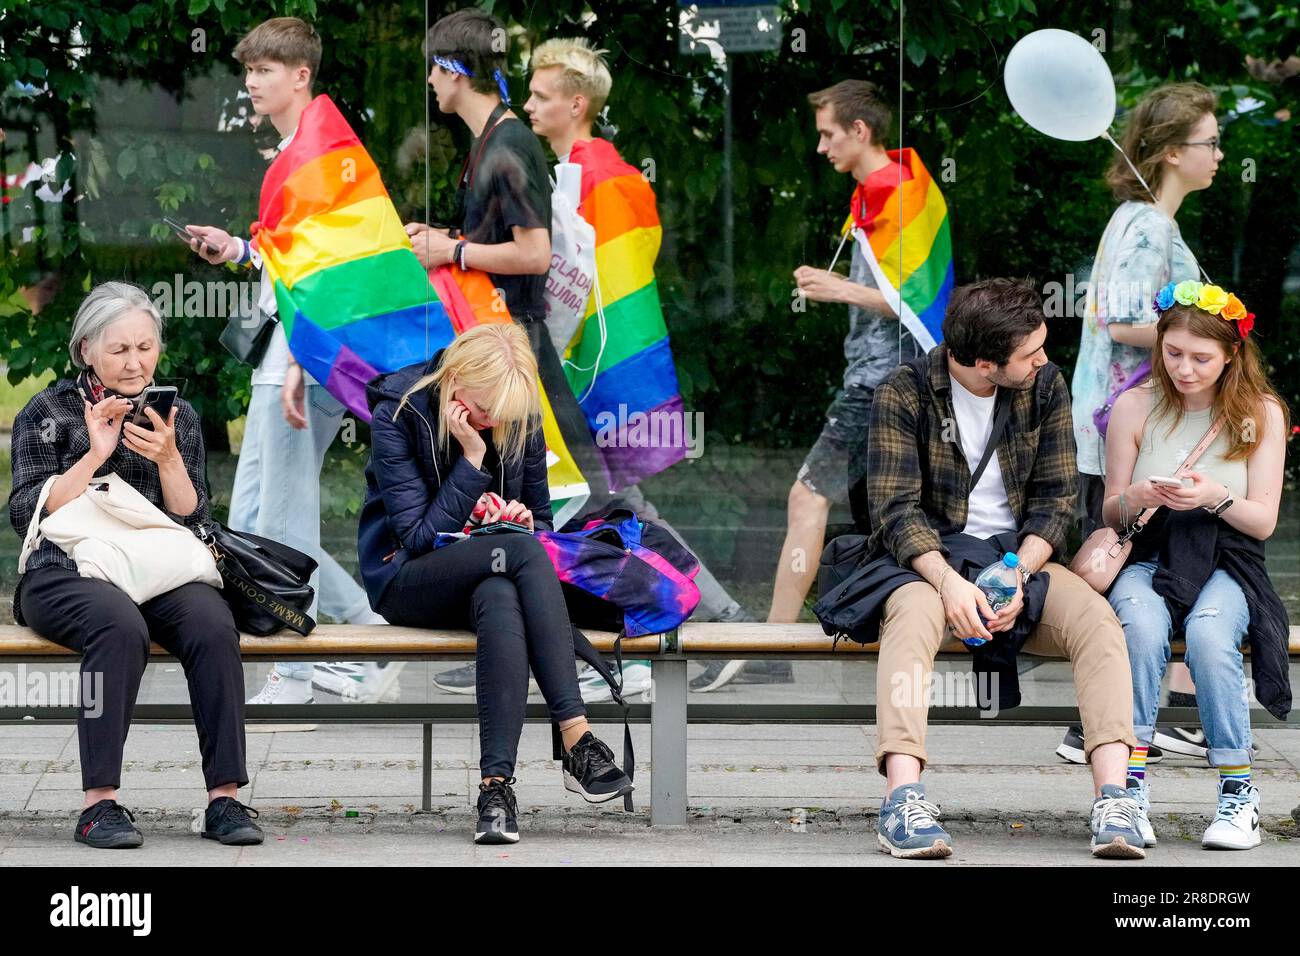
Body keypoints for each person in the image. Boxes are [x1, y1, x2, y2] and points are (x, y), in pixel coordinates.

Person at [864, 278, 1143, 859]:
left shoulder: (1045, 386)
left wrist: (1016, 573)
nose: (1044, 360)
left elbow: (1059, 500)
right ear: (987, 364)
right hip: (929, 559)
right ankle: (903, 799)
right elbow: (894, 509)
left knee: (1096, 620)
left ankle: (1116, 798)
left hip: (1020, 557)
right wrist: (947, 582)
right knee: (912, 620)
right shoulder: (905, 390)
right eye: (1030, 354)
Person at [523, 36, 753, 702]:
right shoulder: (610, 171)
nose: (530, 106)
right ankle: (680, 631)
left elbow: (586, 287)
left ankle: (714, 625)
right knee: (615, 508)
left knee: (614, 508)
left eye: (540, 95)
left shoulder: (590, 176)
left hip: (599, 368)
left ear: (576, 102)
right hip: (617, 364)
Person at [183, 17, 396, 707]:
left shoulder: (320, 150)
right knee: (249, 525)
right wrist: (237, 251)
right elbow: (295, 258)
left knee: (281, 521)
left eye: (265, 70)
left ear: (300, 74)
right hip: (294, 347)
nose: (251, 81)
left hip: (305, 352)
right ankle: (367, 633)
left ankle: (299, 670)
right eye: (248, 70)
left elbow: (339, 271)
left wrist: (305, 357)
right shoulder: (304, 148)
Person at [8, 282, 262, 849]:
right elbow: (26, 510)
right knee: (119, 626)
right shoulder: (47, 412)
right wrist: (96, 453)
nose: (135, 361)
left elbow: (194, 520)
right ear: (87, 351)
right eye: (119, 349)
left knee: (214, 625)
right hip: (64, 567)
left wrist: (170, 458)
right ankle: (99, 804)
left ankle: (225, 798)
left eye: (145, 347)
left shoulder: (178, 417)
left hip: (154, 568)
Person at [357, 323, 634, 844]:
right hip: (405, 577)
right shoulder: (400, 411)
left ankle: (495, 792)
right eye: (484, 413)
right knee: (518, 557)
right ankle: (577, 735)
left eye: (500, 417)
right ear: (455, 380)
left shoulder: (517, 414)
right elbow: (417, 537)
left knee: (503, 591)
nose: (492, 423)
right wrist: (472, 463)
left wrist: (520, 520)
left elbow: (544, 527)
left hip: (497, 573)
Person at [408, 8, 609, 696]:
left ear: (454, 71)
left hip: (518, 343)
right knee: (519, 493)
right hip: (503, 340)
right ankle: (511, 634)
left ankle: (661, 627)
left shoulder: (506, 145)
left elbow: (533, 253)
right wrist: (443, 241)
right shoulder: (493, 141)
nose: (429, 83)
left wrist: (452, 248)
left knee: (581, 492)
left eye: (434, 69)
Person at [1060, 82, 1225, 765]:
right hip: (1123, 431)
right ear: (1166, 153)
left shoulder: (1142, 218)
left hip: (1127, 428)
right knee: (1133, 562)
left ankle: (1159, 712)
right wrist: (1210, 334)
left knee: (1153, 561)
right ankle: (1100, 728)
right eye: (1208, 143)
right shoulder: (1149, 225)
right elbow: (1123, 321)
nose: (1219, 154)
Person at [1101, 280, 1290, 851]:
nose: (1185, 369)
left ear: (1232, 353)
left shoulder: (1261, 413)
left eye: (1202, 357)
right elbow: (1110, 510)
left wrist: (1215, 497)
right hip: (1151, 551)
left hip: (1228, 559)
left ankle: (1238, 791)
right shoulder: (1133, 406)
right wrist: (1138, 494)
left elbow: (1263, 522)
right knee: (1138, 624)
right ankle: (1127, 786)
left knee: (1210, 635)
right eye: (1173, 352)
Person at [753, 80, 923, 693]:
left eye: (828, 134)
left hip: (879, 382)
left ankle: (774, 645)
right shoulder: (878, 194)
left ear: (859, 131)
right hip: (882, 379)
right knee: (888, 515)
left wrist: (841, 290)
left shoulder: (899, 195)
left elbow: (926, 304)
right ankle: (895, 635)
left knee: (809, 496)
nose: (821, 146)